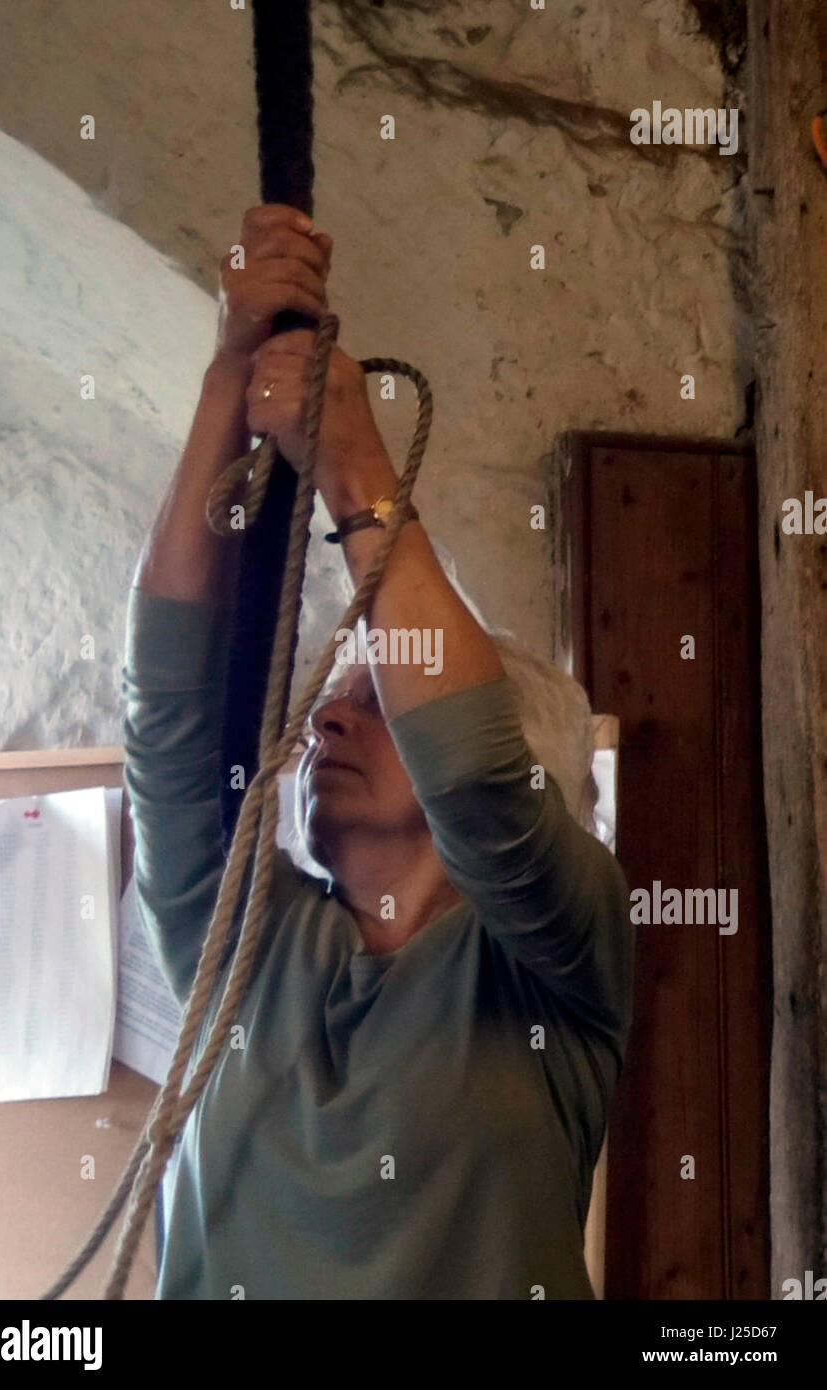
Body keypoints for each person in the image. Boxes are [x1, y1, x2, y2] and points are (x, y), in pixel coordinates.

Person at [121, 204, 635, 1299]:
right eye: (334, 697)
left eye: (376, 700)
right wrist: (228, 383)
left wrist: (355, 465)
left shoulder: (553, 957)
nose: (324, 721)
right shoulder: (246, 946)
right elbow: (165, 713)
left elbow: (478, 776)